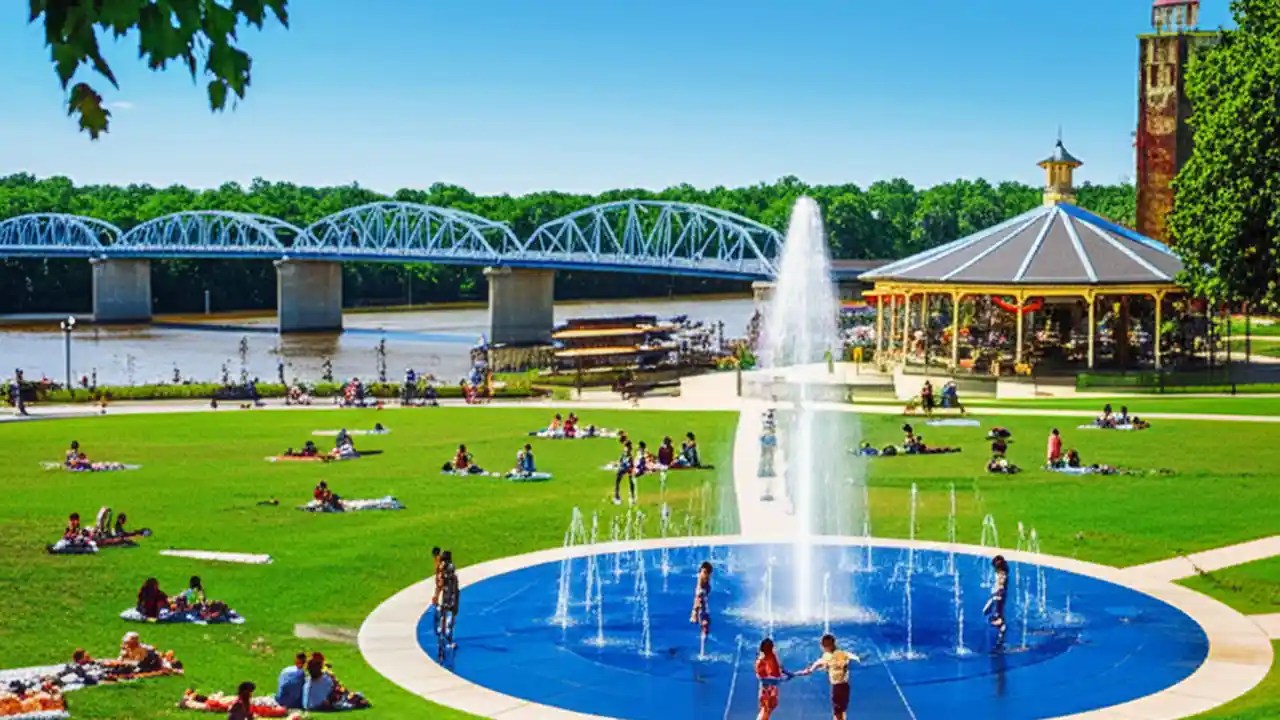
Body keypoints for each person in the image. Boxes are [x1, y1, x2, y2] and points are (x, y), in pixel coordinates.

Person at [794, 634, 858, 720]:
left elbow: (815, 666)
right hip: (845, 686)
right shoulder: (843, 654)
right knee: (841, 711)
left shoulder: (827, 656)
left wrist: (801, 672)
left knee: (838, 712)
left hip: (837, 687)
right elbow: (856, 659)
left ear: (827, 647)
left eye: (823, 647)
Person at [755, 638, 791, 720]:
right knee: (765, 710)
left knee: (767, 710)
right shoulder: (761, 661)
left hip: (771, 689)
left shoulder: (773, 655)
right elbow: (762, 678)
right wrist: (781, 680)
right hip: (767, 690)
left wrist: (789, 674)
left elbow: (780, 667)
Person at [437, 552, 460, 657]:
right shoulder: (450, 575)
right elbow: (453, 590)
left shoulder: (445, 572)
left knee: (446, 620)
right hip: (449, 599)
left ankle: (444, 639)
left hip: (448, 598)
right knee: (448, 621)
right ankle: (447, 641)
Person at [984, 555, 1010, 645]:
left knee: (994, 612)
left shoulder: (1002, 577)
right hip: (998, 597)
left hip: (998, 597)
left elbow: (1001, 587)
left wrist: (995, 597)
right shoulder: (1001, 575)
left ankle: (1001, 626)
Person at [689, 561, 713, 638]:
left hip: (704, 604)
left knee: (706, 623)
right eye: (704, 572)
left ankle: (704, 639)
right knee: (704, 623)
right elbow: (697, 598)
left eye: (707, 573)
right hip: (701, 603)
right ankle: (703, 641)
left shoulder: (706, 579)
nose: (705, 575)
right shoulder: (700, 580)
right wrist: (694, 613)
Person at [613, 441, 635, 506]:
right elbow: (620, 461)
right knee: (617, 479)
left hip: (628, 469)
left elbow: (630, 464)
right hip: (624, 468)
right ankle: (617, 495)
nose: (625, 449)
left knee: (631, 481)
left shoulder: (630, 456)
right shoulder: (623, 454)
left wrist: (627, 468)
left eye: (626, 447)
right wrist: (617, 464)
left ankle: (632, 496)